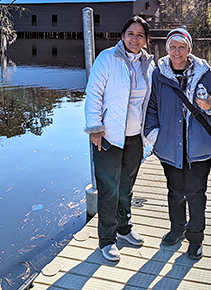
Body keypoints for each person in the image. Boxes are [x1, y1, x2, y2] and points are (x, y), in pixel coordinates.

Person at [144, 27, 211, 261]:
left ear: (189, 49)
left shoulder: (205, 73)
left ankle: (195, 238)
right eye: (173, 47)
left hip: (199, 149)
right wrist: (153, 134)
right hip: (169, 147)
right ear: (167, 48)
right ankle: (176, 229)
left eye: (182, 47)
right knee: (174, 192)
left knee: (196, 193)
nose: (177, 51)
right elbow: (151, 107)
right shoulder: (158, 74)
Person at [84, 16, 155, 262]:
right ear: (122, 35)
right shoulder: (107, 58)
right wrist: (94, 127)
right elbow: (93, 93)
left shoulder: (148, 64)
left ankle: (124, 229)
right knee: (109, 189)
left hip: (135, 137)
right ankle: (107, 239)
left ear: (146, 40)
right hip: (109, 137)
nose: (135, 39)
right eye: (130, 34)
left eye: (140, 35)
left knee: (126, 187)